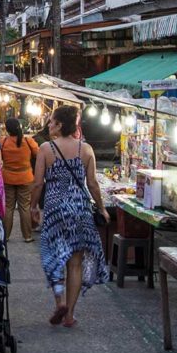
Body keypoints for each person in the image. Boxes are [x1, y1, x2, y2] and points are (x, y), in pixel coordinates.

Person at [29, 105, 110, 328]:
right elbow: (92, 184)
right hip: (80, 209)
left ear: (60, 124)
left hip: (55, 209)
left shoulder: (46, 148)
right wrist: (101, 208)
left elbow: (37, 183)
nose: (48, 125)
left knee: (53, 255)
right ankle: (70, 314)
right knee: (75, 263)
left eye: (51, 121)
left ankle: (59, 302)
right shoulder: (86, 149)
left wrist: (33, 206)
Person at [0, 118, 39, 242]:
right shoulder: (28, 141)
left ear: (7, 129)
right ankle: (27, 236)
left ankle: (5, 236)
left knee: (8, 207)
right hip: (25, 177)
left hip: (7, 177)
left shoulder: (4, 141)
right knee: (25, 207)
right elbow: (38, 154)